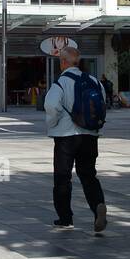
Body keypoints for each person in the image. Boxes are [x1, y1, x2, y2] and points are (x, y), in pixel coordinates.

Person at [43, 46, 108, 233]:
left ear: (63, 62)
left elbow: (51, 105)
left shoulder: (61, 82)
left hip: (66, 136)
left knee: (63, 177)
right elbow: (102, 105)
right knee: (88, 174)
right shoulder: (95, 81)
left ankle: (65, 218)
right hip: (90, 135)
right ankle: (98, 207)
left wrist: (52, 125)